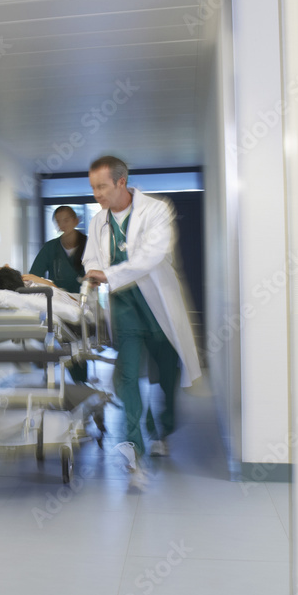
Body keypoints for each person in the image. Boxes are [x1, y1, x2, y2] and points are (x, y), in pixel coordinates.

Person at [82, 155, 201, 488]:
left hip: (158, 308)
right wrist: (93, 272)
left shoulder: (156, 210)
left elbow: (152, 256)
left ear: (122, 182)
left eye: (102, 186)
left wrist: (108, 273)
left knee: (166, 378)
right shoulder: (97, 220)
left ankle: (162, 427)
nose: (97, 194)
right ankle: (137, 456)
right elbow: (91, 257)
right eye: (92, 188)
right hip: (125, 309)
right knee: (128, 378)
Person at [25, 206, 87, 293]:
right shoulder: (50, 247)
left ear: (76, 221)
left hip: (85, 298)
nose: (62, 225)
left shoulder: (88, 244)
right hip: (58, 300)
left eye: (66, 220)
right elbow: (34, 276)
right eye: (58, 221)